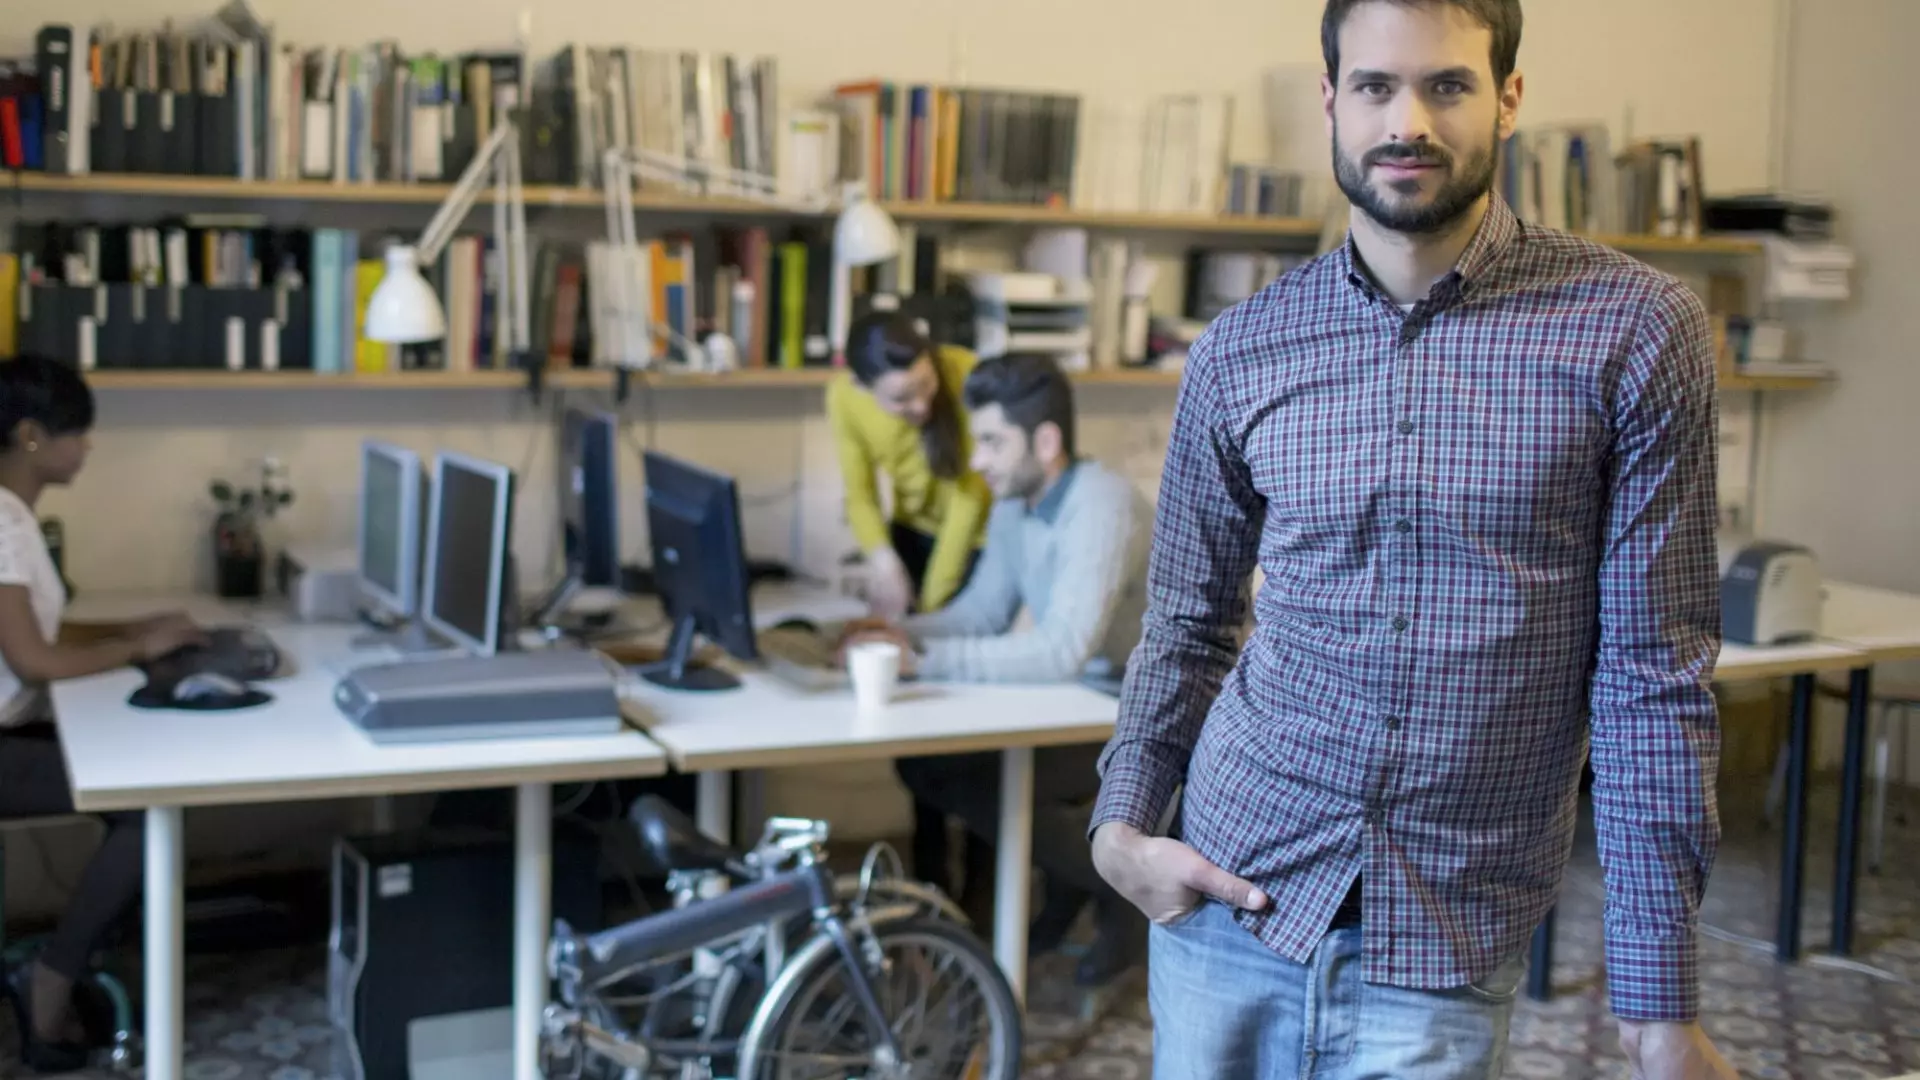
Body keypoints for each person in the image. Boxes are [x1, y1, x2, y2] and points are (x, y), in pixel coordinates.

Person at [1089, 1, 1737, 1078]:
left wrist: (1658, 1003)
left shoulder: (1635, 327)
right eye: (1379, 87)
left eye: (1447, 85)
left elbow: (1653, 674)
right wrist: (1121, 830)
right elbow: (1189, 624)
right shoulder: (1241, 349)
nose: (1410, 121)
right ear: (1333, 101)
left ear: (1509, 99)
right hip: (1225, 894)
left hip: (1445, 921)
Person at [845, 354, 1153, 986]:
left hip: (1143, 712)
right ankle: (1074, 884)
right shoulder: (1018, 503)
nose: (976, 459)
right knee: (926, 763)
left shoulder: (1101, 506)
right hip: (1084, 699)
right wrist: (896, 633)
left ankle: (1120, 894)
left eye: (991, 442)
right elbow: (982, 613)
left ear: (1045, 440)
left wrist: (920, 660)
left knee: (984, 780)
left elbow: (1062, 647)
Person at [0, 355, 207, 1073]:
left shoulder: (14, 517)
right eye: (76, 433)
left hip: (16, 722)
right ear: (31, 436)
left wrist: (139, 629)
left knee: (144, 764)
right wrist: (139, 647)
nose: (87, 448)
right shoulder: (2, 522)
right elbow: (36, 663)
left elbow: (41, 636)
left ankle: (81, 961)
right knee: (150, 810)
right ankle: (49, 987)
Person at [827, 311, 996, 904]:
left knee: (974, 723)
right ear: (862, 386)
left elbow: (967, 502)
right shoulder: (843, 401)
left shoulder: (964, 373)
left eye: (926, 389)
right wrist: (883, 561)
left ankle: (982, 883)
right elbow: (859, 492)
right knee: (918, 719)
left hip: (973, 547)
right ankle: (930, 877)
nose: (921, 408)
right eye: (902, 399)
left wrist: (927, 610)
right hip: (908, 541)